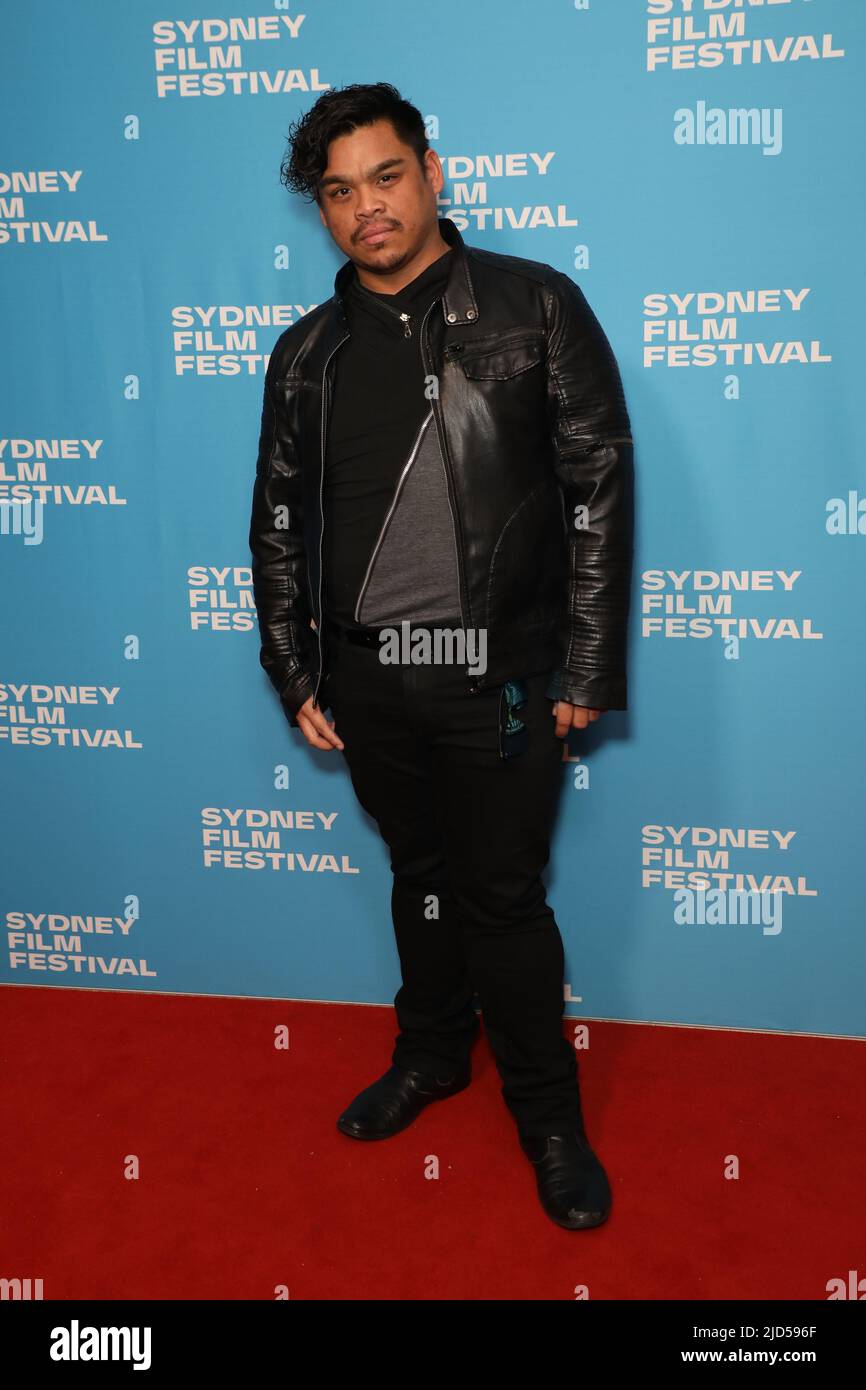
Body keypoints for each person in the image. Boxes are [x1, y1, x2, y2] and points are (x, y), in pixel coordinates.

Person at [248, 83, 634, 1230]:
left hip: (498, 671)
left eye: (384, 176)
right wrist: (292, 664)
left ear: (431, 173)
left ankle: (547, 1115)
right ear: (320, 212)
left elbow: (596, 492)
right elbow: (275, 516)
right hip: (368, 677)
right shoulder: (305, 353)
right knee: (417, 880)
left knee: (501, 898)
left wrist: (583, 668)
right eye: (337, 191)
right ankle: (430, 1056)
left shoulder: (533, 308)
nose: (365, 207)